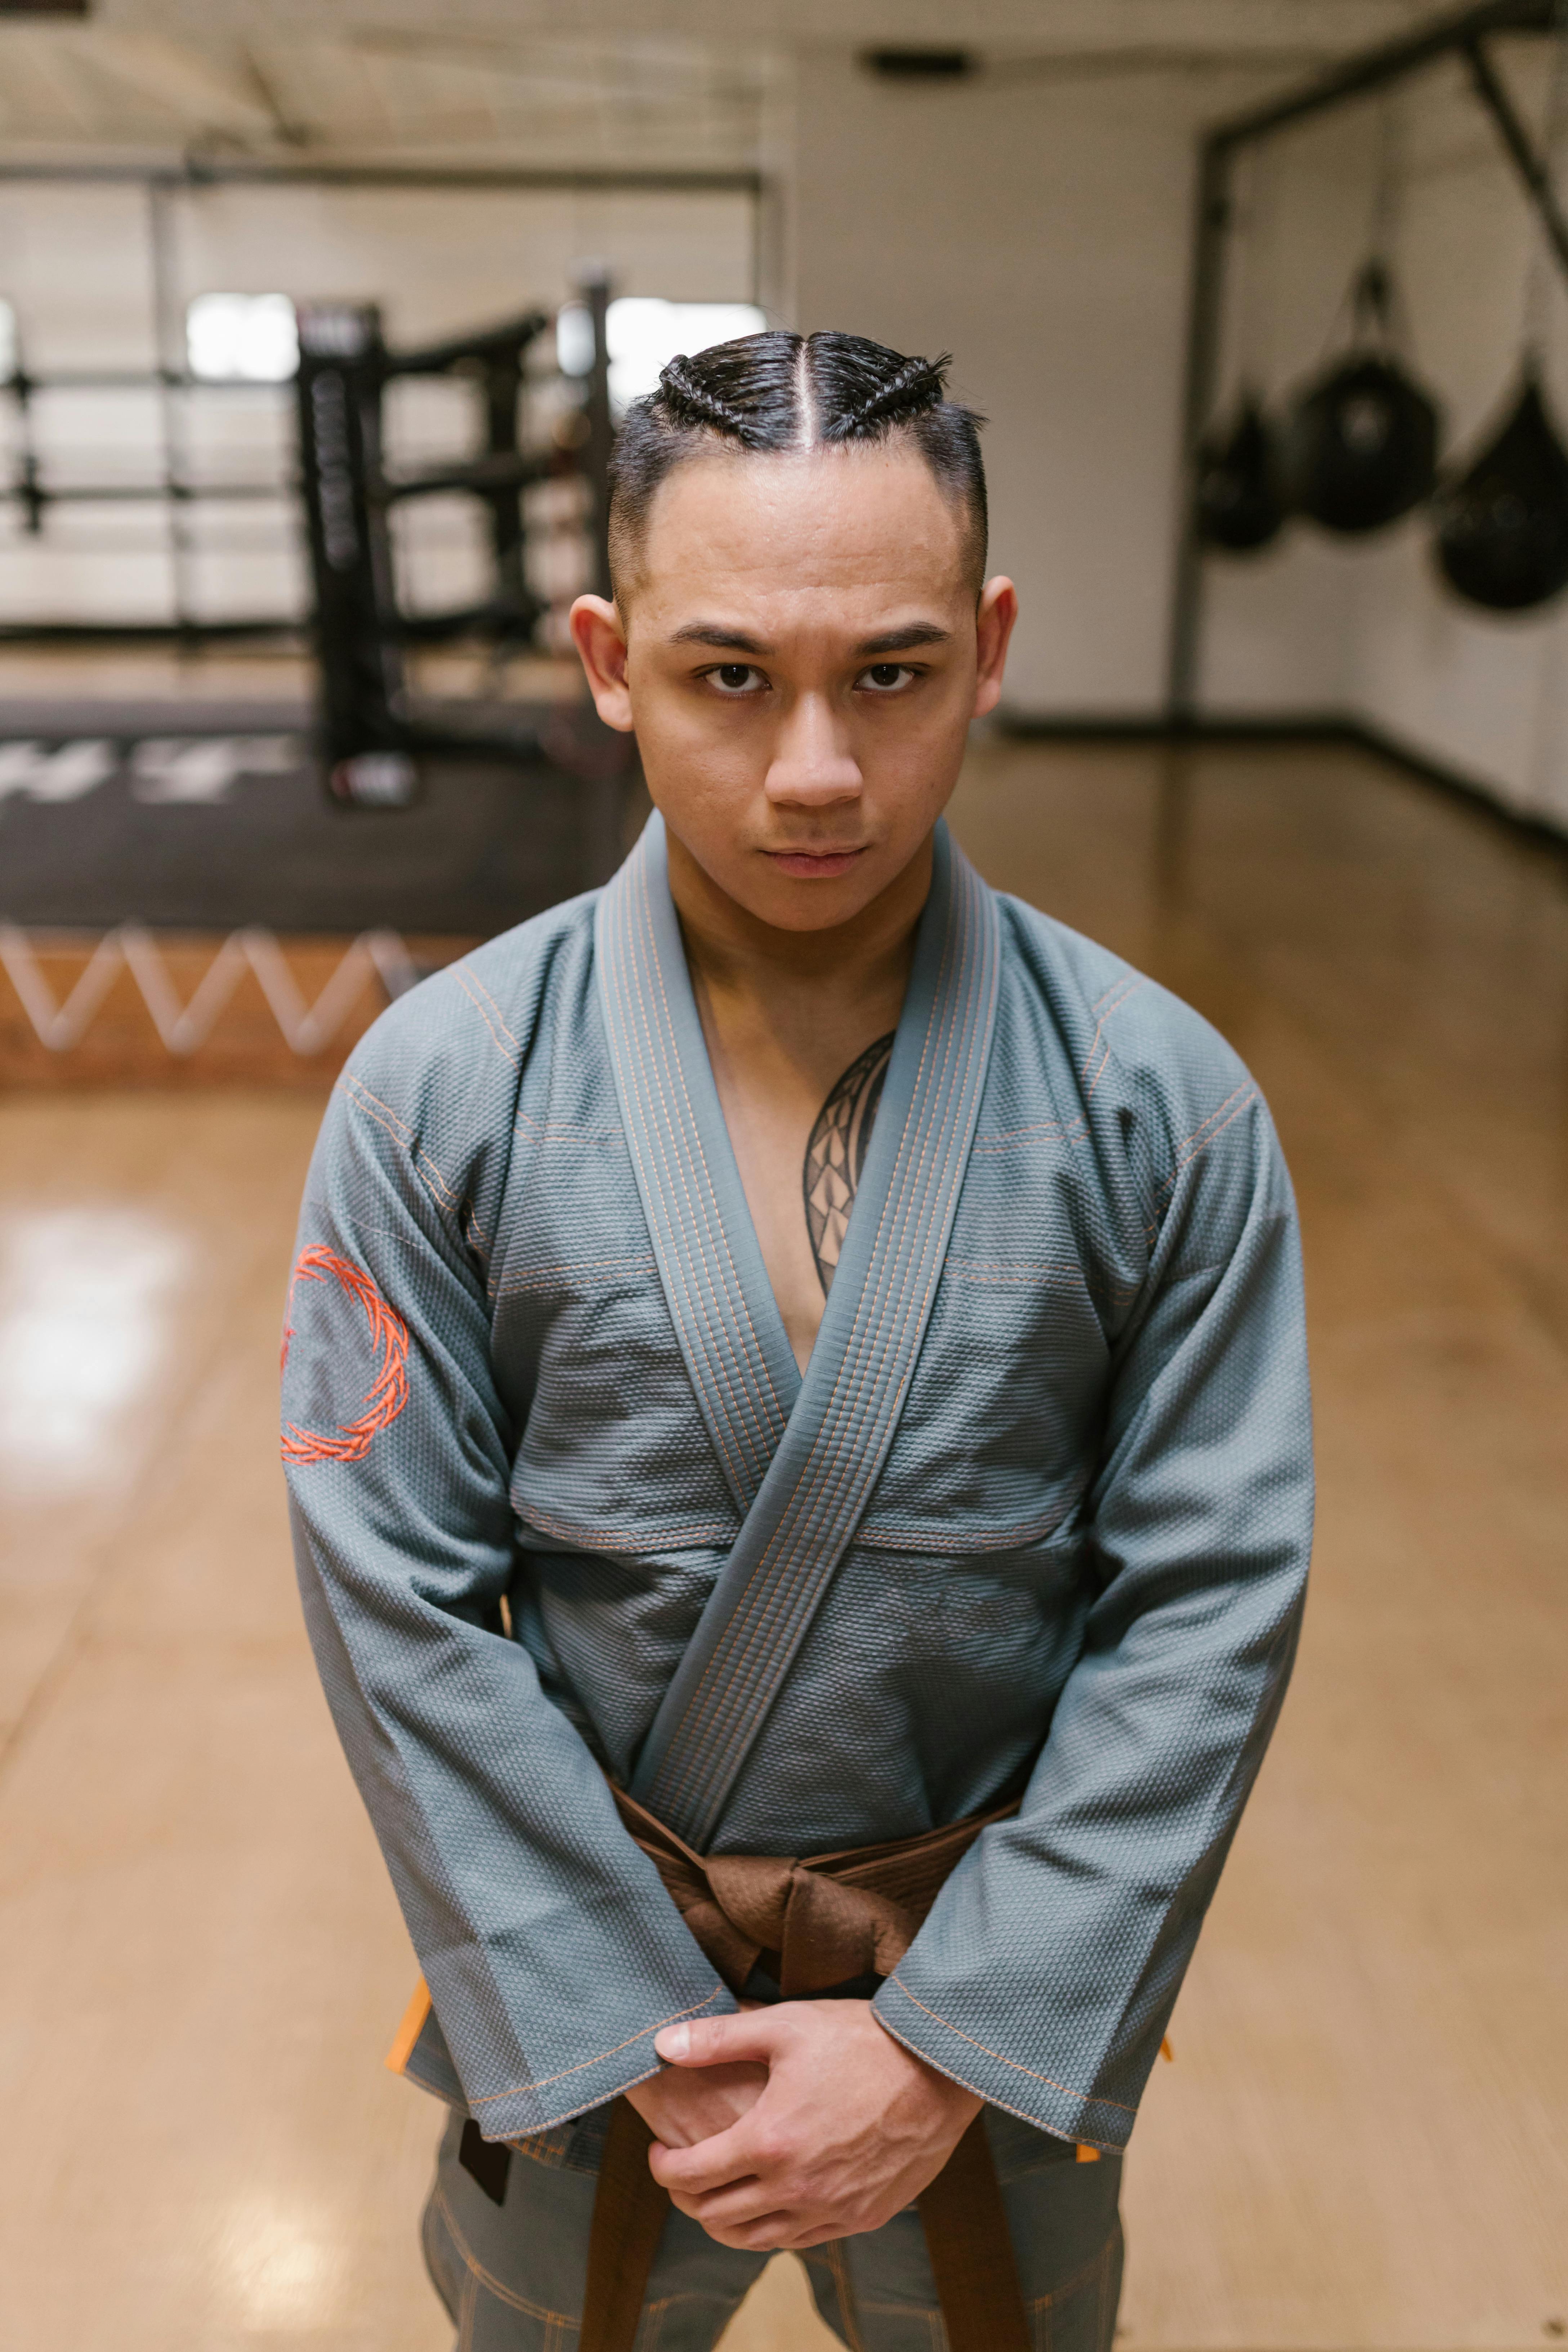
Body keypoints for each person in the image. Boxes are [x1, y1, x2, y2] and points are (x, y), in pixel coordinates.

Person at [282, 330, 1313, 2351]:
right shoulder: (445, 1088)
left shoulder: (1157, 1103)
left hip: (978, 1976)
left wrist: (946, 2039)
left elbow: (1206, 1603)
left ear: (992, 643)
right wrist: (606, 2001)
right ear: (607, 656)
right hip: (597, 1987)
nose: (818, 767)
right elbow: (386, 1589)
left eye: (894, 673)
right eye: (729, 676)